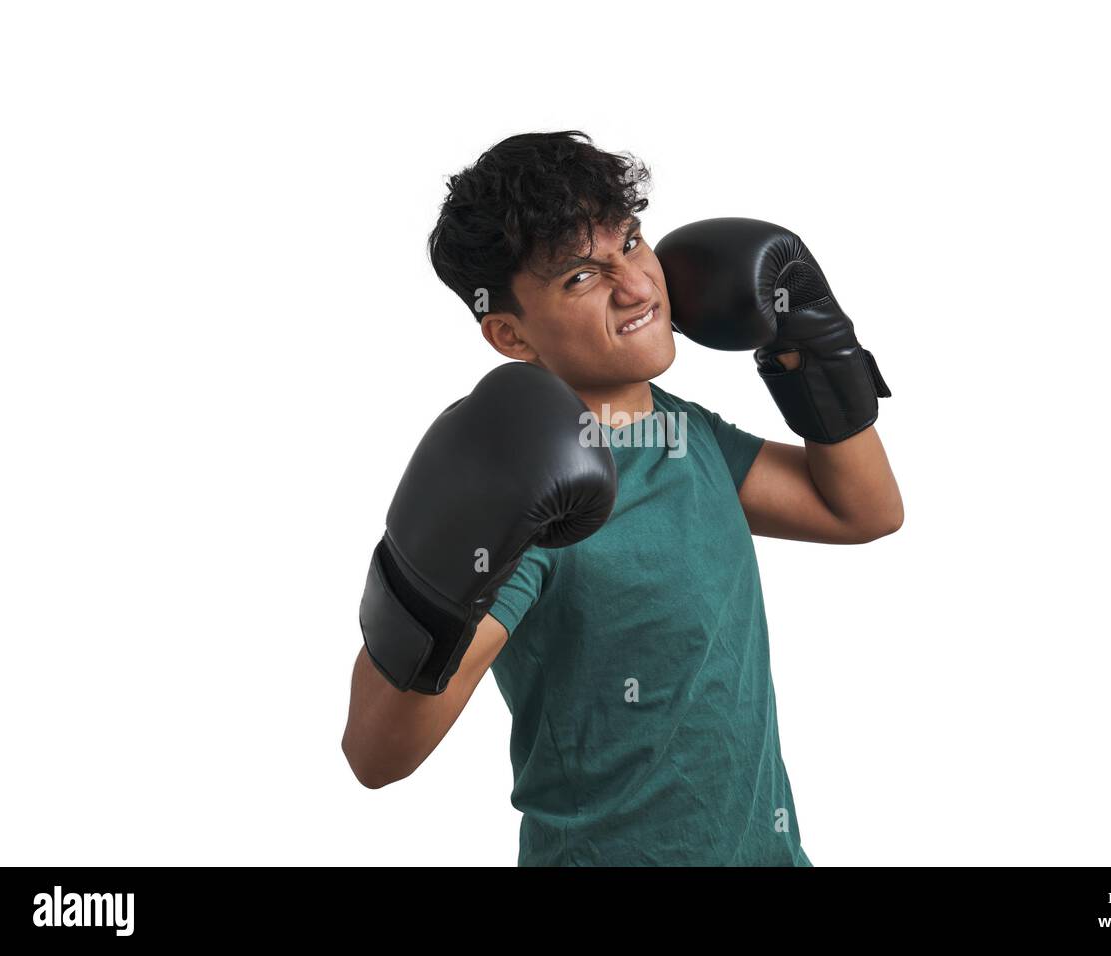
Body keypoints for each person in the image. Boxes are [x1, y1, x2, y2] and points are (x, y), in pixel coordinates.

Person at [341, 131, 904, 866]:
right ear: (509, 333)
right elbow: (375, 755)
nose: (638, 286)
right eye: (580, 277)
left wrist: (811, 348)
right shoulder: (537, 507)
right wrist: (437, 571)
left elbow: (862, 511)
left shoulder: (680, 431)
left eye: (631, 242)